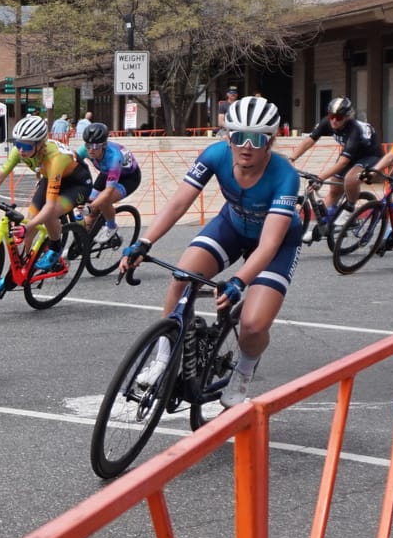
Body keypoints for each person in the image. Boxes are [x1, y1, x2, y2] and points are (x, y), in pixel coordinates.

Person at [119, 96, 298, 404]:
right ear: (228, 136)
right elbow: (178, 203)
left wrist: (239, 281)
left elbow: (268, 244)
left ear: (270, 141)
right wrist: (145, 242)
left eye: (257, 139)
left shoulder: (285, 176)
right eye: (238, 136)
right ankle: (162, 360)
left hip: (275, 243)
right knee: (181, 277)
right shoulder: (215, 154)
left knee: (253, 325)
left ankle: (243, 371)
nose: (246, 146)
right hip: (232, 225)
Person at [0, 113, 87, 274]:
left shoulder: (54, 159)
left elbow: (48, 206)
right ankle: (24, 264)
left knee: (49, 213)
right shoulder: (20, 150)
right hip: (50, 177)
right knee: (31, 216)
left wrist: (28, 227)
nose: (21, 150)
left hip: (76, 183)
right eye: (18, 144)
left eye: (27, 147)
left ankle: (55, 248)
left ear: (40, 144)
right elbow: (1, 175)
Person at [289, 98, 386, 231]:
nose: (334, 120)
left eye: (339, 117)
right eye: (331, 116)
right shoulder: (327, 123)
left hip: (370, 155)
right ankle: (321, 228)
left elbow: (343, 162)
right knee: (334, 190)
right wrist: (291, 159)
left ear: (347, 117)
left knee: (350, 179)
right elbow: (309, 141)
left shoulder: (354, 129)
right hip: (352, 154)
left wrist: (320, 178)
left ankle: (350, 208)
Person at [77, 121, 143, 232]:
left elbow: (108, 192)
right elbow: (72, 163)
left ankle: (111, 227)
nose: (91, 150)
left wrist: (90, 207)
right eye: (88, 145)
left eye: (95, 146)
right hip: (107, 173)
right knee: (91, 207)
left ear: (104, 145)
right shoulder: (86, 150)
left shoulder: (113, 158)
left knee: (103, 201)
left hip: (129, 178)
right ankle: (85, 243)